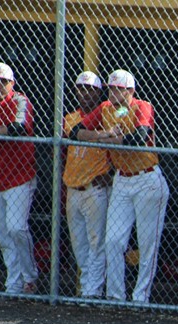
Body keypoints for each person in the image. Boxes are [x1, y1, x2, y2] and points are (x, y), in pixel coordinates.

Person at [72, 69, 170, 304]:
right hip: (122, 180)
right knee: (113, 240)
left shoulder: (141, 106)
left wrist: (107, 138)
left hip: (147, 179)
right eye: (111, 88)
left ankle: (140, 298)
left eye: (119, 89)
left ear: (130, 91)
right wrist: (104, 134)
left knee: (147, 244)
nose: (114, 93)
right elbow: (76, 132)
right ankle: (115, 296)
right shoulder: (105, 108)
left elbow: (138, 137)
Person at [0, 62, 38, 295]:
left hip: (19, 176)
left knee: (17, 228)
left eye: (4, 82)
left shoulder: (20, 100)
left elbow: (18, 127)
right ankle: (14, 284)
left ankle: (30, 276)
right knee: (3, 236)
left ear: (12, 83)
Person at [62, 71, 112, 298]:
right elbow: (65, 149)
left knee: (96, 241)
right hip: (73, 187)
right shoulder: (70, 118)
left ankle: (93, 290)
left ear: (99, 92)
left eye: (90, 89)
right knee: (78, 243)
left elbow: (119, 141)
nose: (84, 93)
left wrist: (111, 174)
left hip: (95, 187)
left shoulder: (108, 114)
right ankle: (86, 286)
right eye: (81, 89)